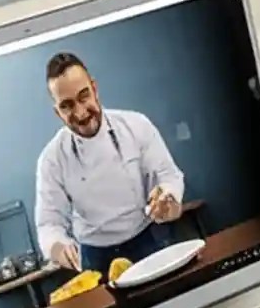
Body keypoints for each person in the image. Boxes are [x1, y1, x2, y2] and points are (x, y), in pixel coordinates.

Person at [34, 52, 186, 276]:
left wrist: (168, 197)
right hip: (95, 256)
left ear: (95, 89)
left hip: (148, 238)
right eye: (67, 106)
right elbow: (48, 224)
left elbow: (169, 176)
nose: (80, 112)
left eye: (83, 96)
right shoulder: (51, 160)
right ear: (58, 112)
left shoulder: (136, 125)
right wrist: (59, 247)